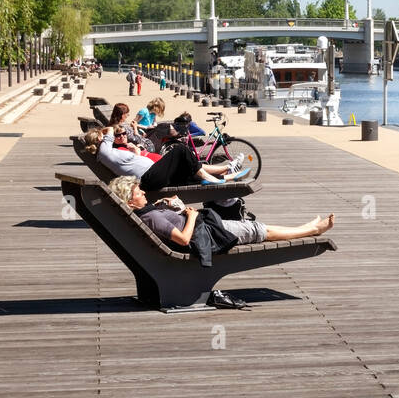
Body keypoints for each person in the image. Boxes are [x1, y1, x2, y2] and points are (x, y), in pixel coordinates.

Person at [107, 174, 334, 308]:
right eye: (138, 192)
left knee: (257, 229)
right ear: (129, 202)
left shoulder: (147, 213)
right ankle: (310, 230)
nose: (143, 192)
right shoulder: (152, 218)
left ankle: (307, 228)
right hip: (206, 235)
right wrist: (191, 215)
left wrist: (172, 209)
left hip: (205, 230)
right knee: (257, 230)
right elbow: (184, 240)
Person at [85, 127, 247, 189]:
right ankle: (209, 176)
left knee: (187, 173)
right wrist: (105, 130)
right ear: (99, 139)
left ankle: (226, 176)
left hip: (152, 175)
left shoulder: (107, 153)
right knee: (181, 150)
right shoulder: (104, 152)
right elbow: (111, 131)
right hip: (149, 177)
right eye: (101, 136)